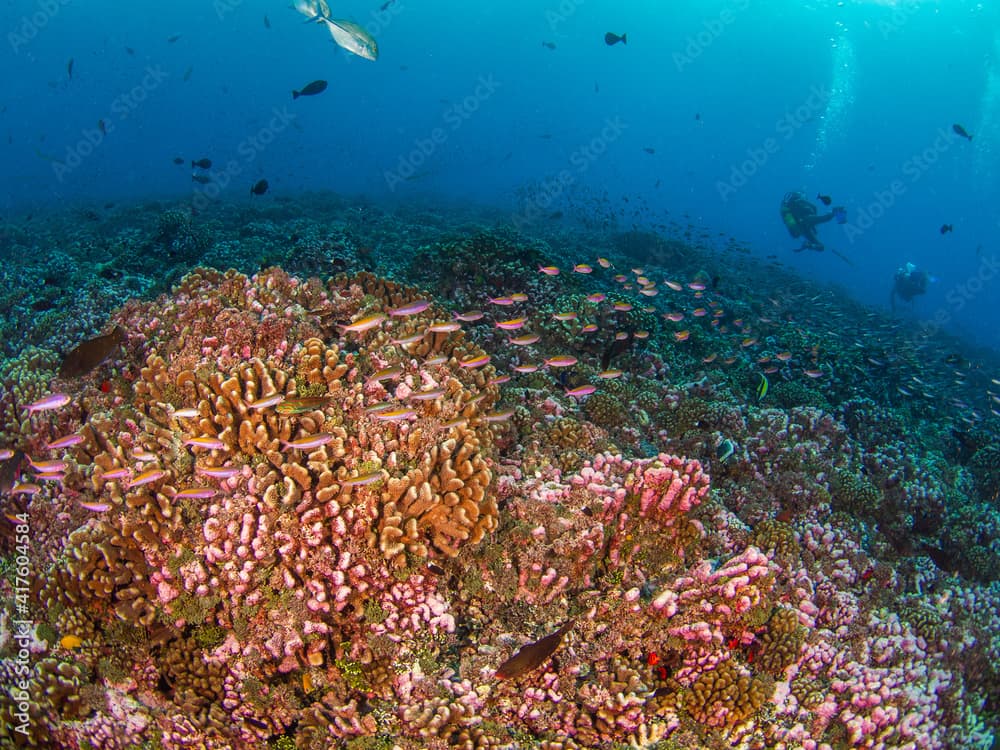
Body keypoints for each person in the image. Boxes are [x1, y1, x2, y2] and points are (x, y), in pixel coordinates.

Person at [779, 191, 845, 252]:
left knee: (824, 218)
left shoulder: (799, 227)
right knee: (821, 247)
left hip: (805, 219)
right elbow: (814, 207)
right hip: (805, 222)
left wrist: (813, 225)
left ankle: (836, 211)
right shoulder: (802, 231)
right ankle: (837, 212)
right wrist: (810, 246)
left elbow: (814, 207)